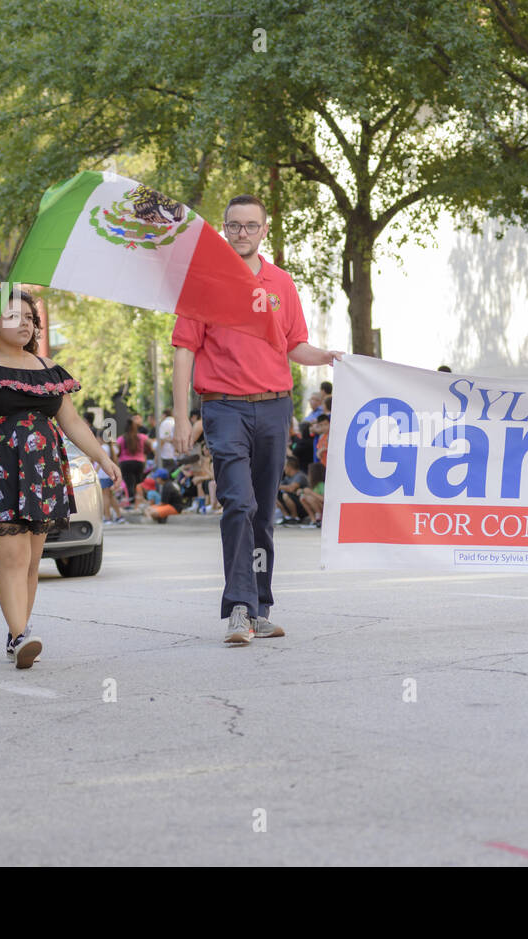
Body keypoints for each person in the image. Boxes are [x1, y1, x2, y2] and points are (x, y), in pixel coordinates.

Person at [171, 193, 342, 646]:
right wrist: (179, 416)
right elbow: (184, 350)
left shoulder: (281, 283)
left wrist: (324, 356)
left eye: (250, 225)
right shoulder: (202, 283)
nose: (242, 233)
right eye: (234, 226)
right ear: (223, 229)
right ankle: (239, 609)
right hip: (223, 407)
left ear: (265, 230)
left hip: (273, 407)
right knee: (239, 504)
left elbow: (294, 346)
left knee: (264, 513)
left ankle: (261, 607)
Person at [0, 288, 122, 668]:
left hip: (42, 467)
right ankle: (21, 635)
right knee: (12, 555)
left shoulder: (46, 368)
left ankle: (16, 633)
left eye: (28, 317)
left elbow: (70, 421)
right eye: (12, 316)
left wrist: (102, 457)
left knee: (31, 560)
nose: (23, 323)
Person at [115, 416, 154, 505]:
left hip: (125, 463)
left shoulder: (121, 438)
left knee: (129, 483)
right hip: (139, 462)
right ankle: (139, 501)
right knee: (138, 482)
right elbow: (151, 444)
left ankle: (132, 501)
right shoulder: (142, 437)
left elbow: (117, 450)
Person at [276, 456, 309, 524]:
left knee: (285, 495)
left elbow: (291, 488)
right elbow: (280, 486)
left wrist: (275, 486)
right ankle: (287, 517)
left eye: (285, 466)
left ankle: (295, 518)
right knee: (273, 495)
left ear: (289, 466)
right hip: (294, 503)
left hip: (304, 505)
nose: (284, 468)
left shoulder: (300, 475)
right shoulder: (288, 477)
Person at [156, 407, 177, 472]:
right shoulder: (175, 422)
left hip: (166, 455)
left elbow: (162, 440)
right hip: (175, 455)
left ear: (164, 415)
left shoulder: (165, 423)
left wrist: (157, 454)